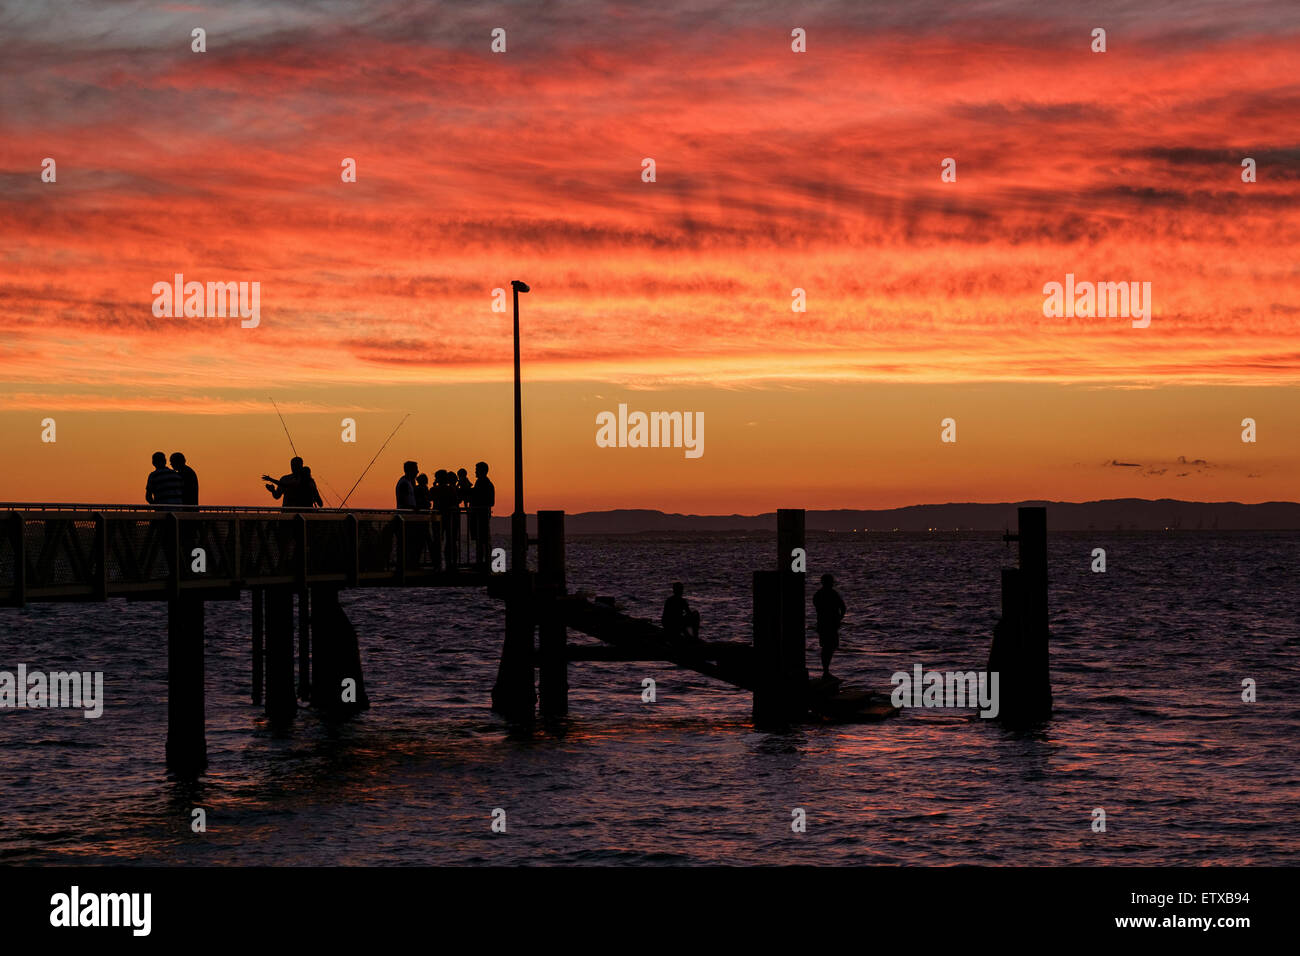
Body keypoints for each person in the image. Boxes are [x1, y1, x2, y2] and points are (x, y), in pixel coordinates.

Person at [813, 573, 847, 680]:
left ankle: (826, 671)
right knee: (829, 647)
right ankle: (826, 672)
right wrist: (839, 618)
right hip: (830, 625)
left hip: (823, 625)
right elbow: (843, 607)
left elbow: (818, 608)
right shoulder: (833, 594)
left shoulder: (818, 594)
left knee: (826, 647)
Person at [469, 461, 494, 567]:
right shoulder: (485, 483)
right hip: (480, 515)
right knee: (483, 540)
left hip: (480, 516)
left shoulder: (483, 483)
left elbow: (490, 501)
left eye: (477, 469)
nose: (475, 472)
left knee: (482, 540)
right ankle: (484, 562)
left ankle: (483, 562)